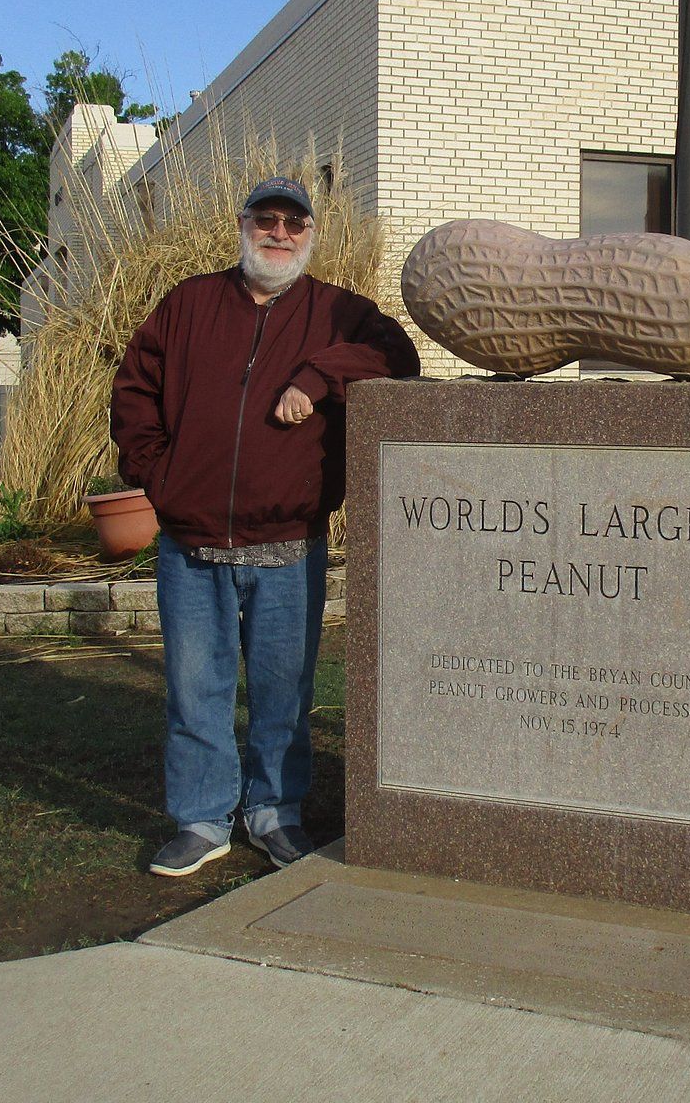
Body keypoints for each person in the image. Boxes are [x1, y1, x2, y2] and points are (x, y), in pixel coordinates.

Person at [110, 176, 419, 876]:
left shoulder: (339, 312)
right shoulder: (189, 304)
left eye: (294, 224)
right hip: (192, 547)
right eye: (266, 219)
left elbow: (399, 358)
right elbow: (133, 392)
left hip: (289, 545)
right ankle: (201, 818)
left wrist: (316, 378)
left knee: (285, 691)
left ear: (311, 235)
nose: (279, 234)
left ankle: (275, 812)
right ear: (243, 224)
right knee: (197, 689)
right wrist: (162, 477)